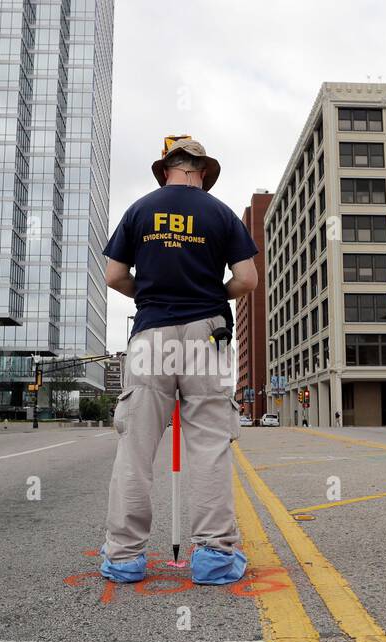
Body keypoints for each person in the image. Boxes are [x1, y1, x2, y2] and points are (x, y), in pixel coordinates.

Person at [100, 136, 258, 585]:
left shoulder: (139, 210)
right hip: (207, 334)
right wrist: (213, 296)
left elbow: (114, 275)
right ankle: (213, 556)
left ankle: (126, 558)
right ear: (203, 172)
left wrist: (148, 294)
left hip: (151, 333)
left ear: (165, 169)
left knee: (135, 447)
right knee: (208, 445)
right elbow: (247, 278)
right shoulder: (220, 213)